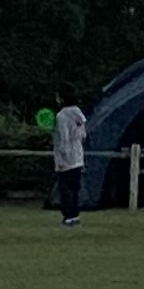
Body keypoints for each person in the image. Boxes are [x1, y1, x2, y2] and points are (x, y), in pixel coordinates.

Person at [52, 97, 88, 228]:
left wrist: (63, 159)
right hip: (78, 156)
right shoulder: (78, 112)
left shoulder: (61, 116)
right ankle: (75, 214)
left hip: (67, 159)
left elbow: (63, 139)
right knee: (75, 188)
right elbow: (82, 134)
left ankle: (69, 216)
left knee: (66, 188)